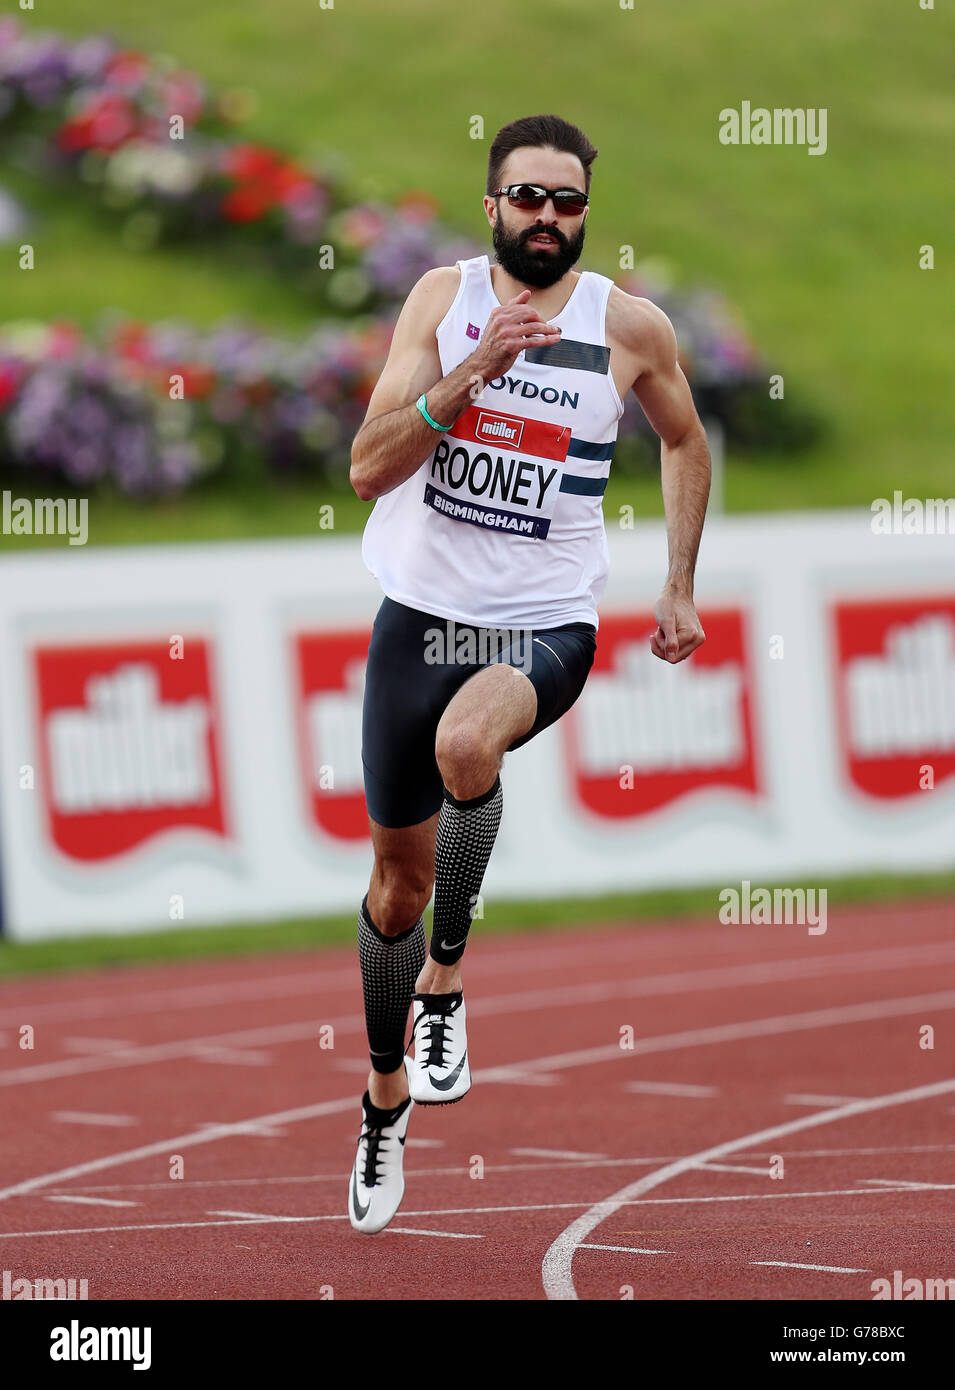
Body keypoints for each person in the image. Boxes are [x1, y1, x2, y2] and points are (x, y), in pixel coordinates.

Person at [346, 114, 709, 1232]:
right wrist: (471, 372)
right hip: (418, 621)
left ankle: (447, 984)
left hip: (543, 624)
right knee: (393, 888)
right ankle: (381, 1098)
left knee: (469, 745)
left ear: (584, 212)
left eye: (566, 200)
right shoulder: (440, 303)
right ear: (491, 202)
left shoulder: (629, 328)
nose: (546, 218)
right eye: (527, 197)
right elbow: (367, 467)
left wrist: (677, 581)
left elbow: (685, 440)